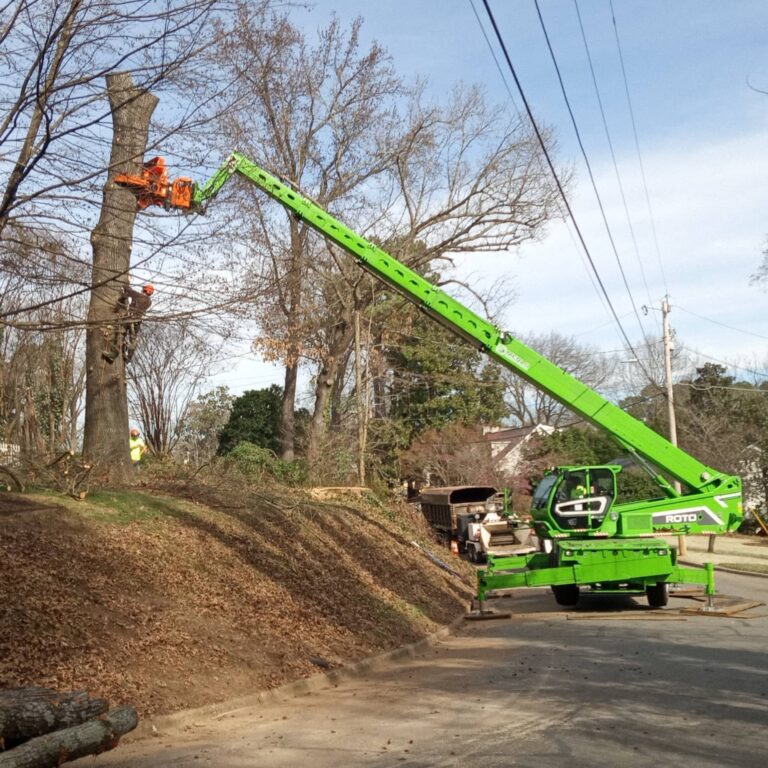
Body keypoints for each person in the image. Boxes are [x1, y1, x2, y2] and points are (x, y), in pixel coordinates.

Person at [103, 283, 154, 364]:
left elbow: (129, 290)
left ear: (144, 290)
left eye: (143, 289)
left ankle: (113, 354)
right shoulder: (149, 301)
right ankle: (129, 357)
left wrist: (124, 285)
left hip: (129, 319)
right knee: (132, 339)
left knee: (120, 335)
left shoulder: (138, 296)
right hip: (137, 321)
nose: (141, 290)